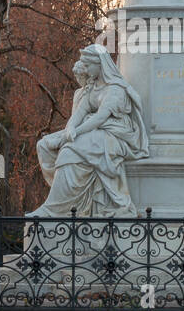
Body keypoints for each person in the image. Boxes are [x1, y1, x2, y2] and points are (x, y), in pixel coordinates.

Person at [29, 44, 149, 218]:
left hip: (115, 136)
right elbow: (80, 113)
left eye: (87, 66)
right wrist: (70, 128)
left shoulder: (116, 89)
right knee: (45, 145)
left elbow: (100, 118)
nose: (84, 69)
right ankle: (69, 202)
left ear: (100, 64)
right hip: (96, 131)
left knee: (69, 151)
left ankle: (55, 209)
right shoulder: (93, 87)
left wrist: (75, 133)